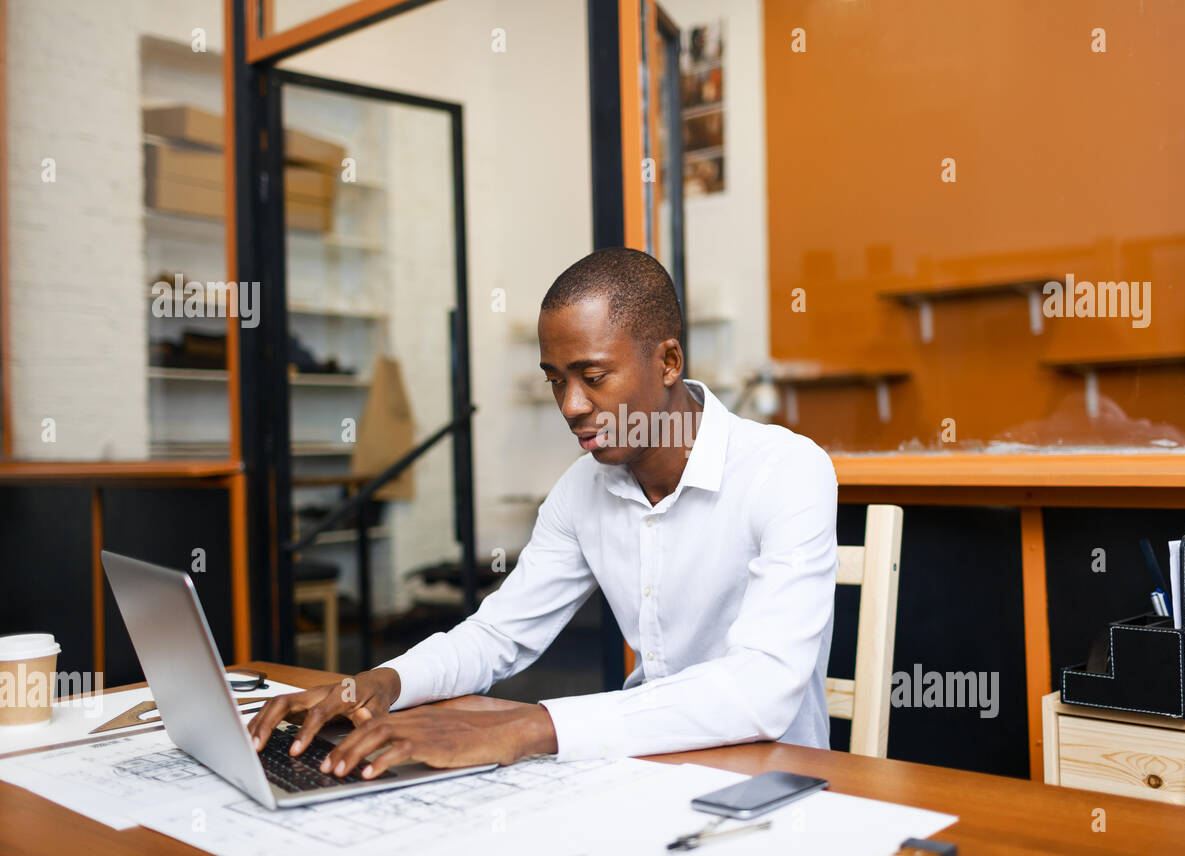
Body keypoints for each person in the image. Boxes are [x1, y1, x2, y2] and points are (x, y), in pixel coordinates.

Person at [248, 247, 839, 779]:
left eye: (593, 376)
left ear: (668, 361)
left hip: (771, 783)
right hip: (641, 770)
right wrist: (379, 682)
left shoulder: (786, 471)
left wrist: (525, 728)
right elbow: (498, 635)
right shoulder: (580, 491)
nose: (572, 406)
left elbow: (761, 689)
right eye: (556, 380)